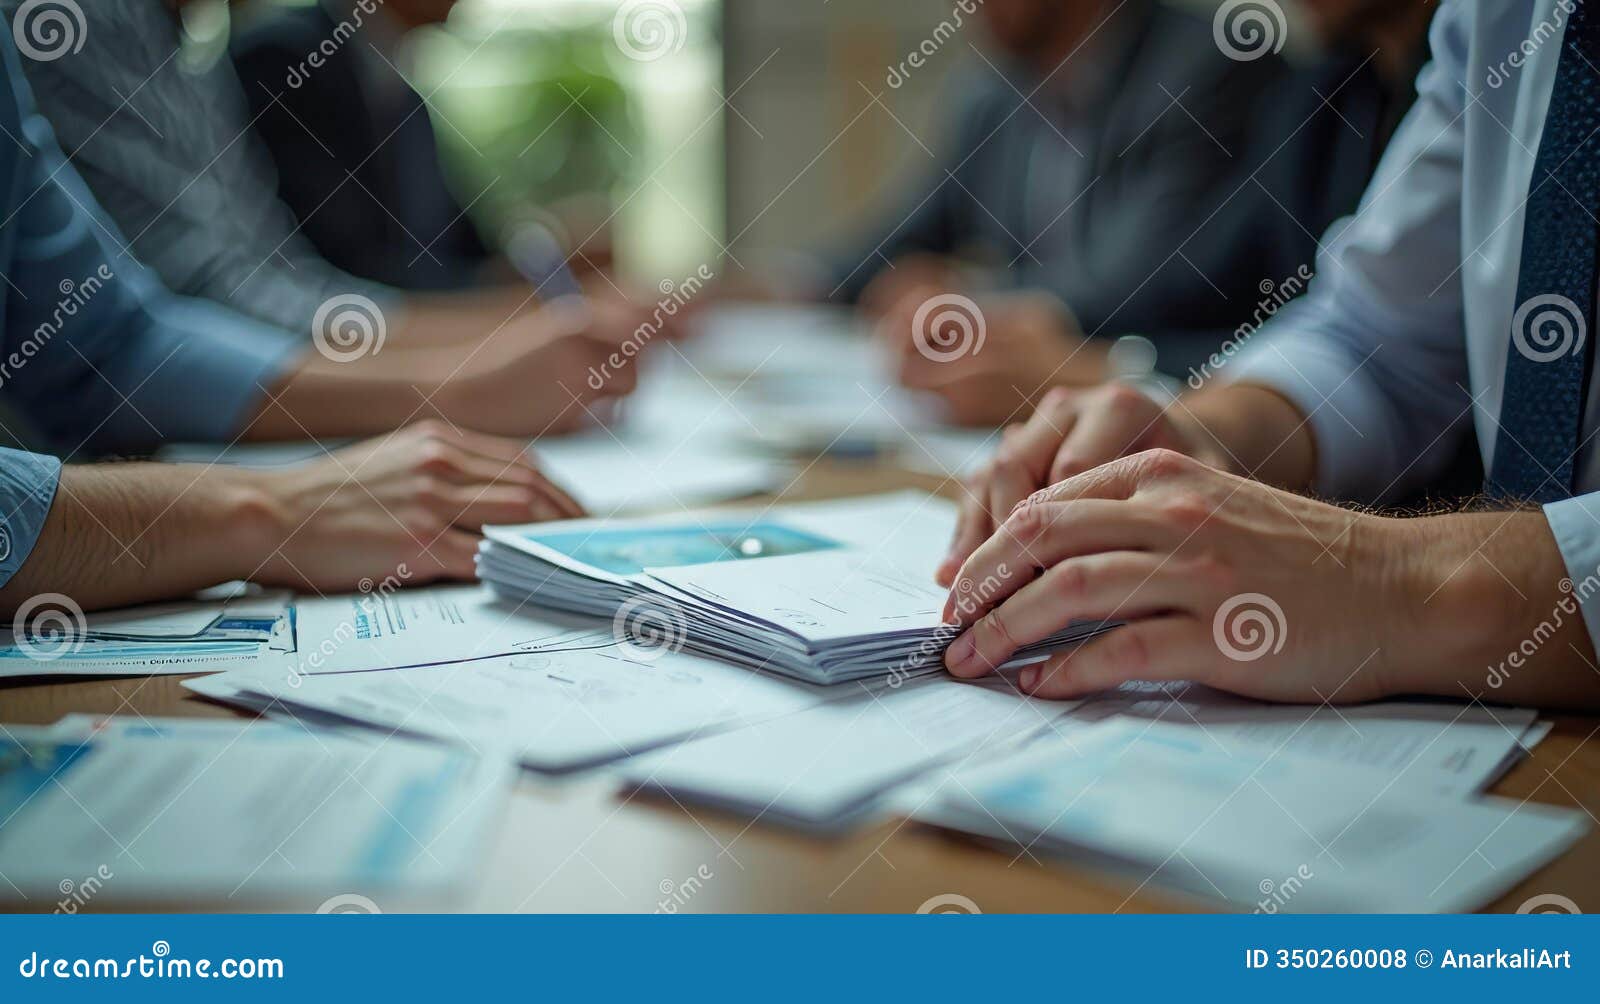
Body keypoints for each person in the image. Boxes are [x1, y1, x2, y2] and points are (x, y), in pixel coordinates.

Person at [934, 0, 1600, 713]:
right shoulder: (1491, 22)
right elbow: (1376, 342)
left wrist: (1388, 581)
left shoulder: (1212, 66)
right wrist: (1197, 433)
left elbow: (1162, 284)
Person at [0, 35, 582, 613]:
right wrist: (266, 511)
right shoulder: (250, 51)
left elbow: (111, 343)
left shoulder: (180, 52)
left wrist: (457, 382)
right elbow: (229, 285)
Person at [874, 0, 1438, 425]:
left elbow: (1400, 363)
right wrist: (1028, 326)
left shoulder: (1209, 66)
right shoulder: (1332, 92)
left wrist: (1110, 369)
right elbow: (1206, 287)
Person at [1, 0, 631, 373]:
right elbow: (214, 292)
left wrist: (539, 293)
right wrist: (470, 358)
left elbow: (275, 268)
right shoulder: (277, 56)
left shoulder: (187, 58)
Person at [230, 0, 499, 292]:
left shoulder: (409, 102)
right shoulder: (284, 59)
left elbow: (457, 241)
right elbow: (337, 259)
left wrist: (527, 266)